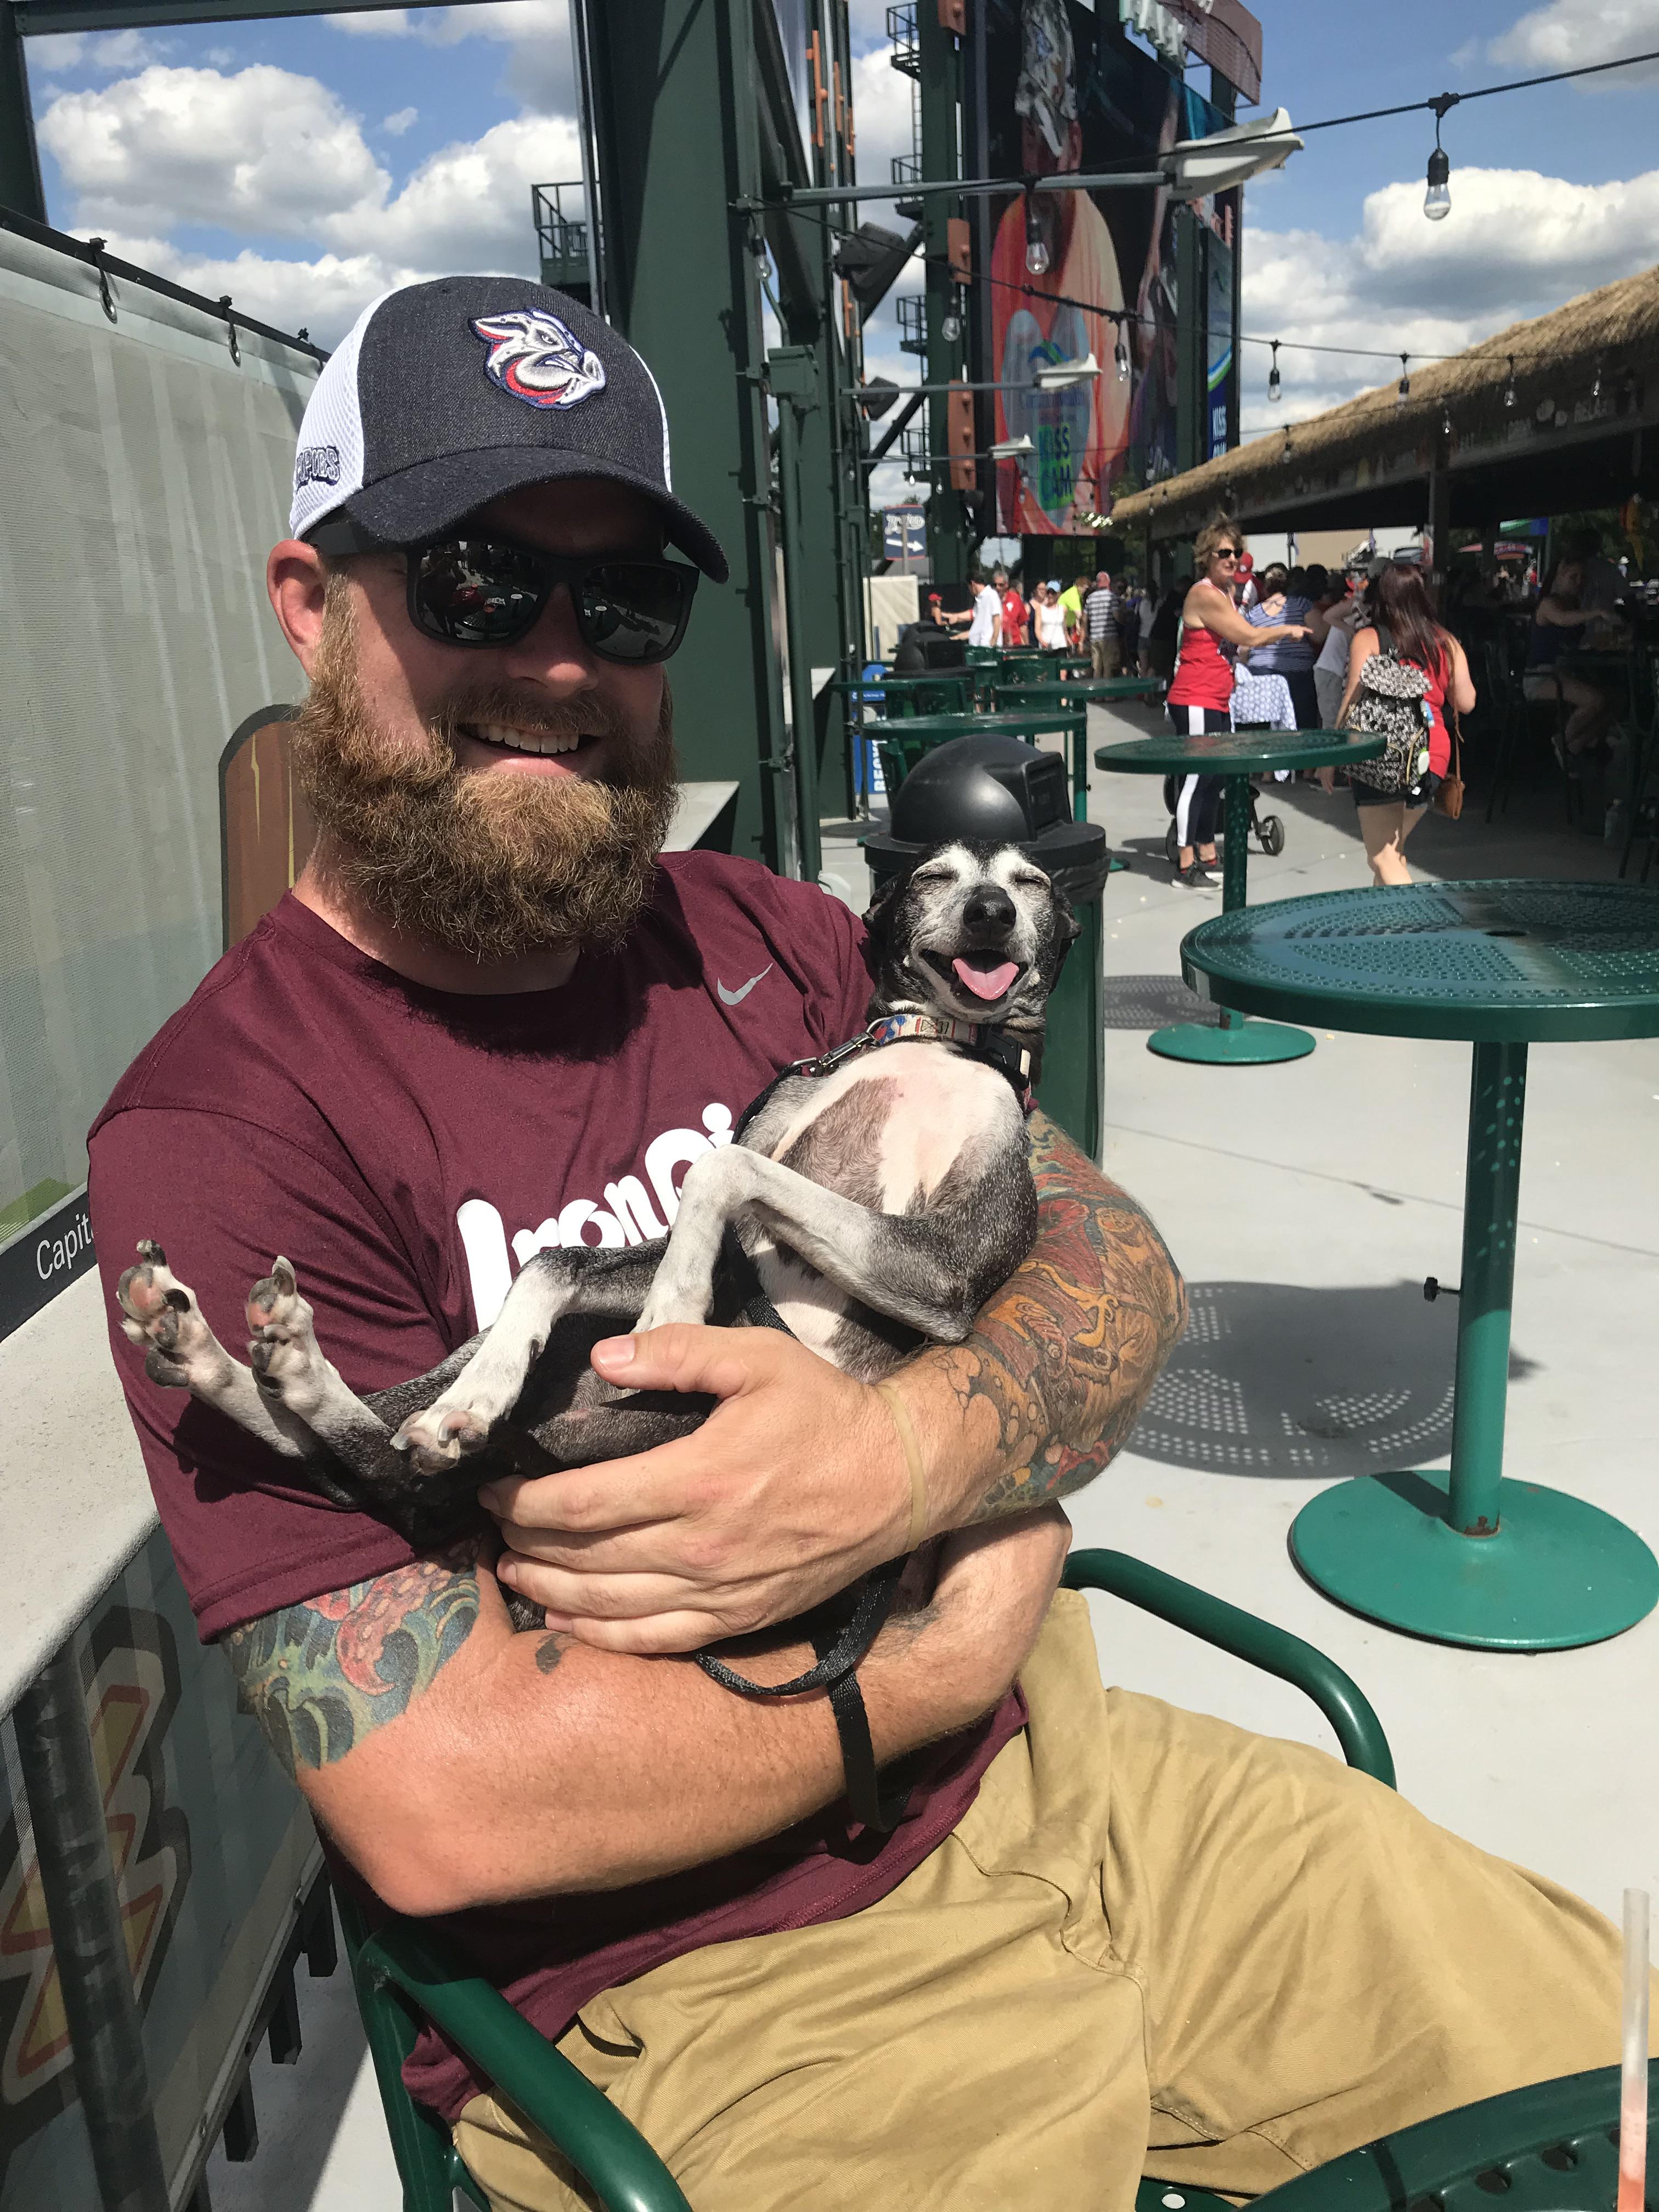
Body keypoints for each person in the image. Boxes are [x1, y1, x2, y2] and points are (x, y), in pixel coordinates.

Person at [92, 280, 1644, 2212]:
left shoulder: (767, 939)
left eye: (626, 606)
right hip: (725, 2005)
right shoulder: (230, 1129)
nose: (564, 664)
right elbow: (436, 1805)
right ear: (313, 607)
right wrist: (961, 1619)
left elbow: (1111, 1254)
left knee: (1613, 2091)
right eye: (482, 585)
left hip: (1083, 1780)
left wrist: (908, 1460)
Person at [988, 0, 1129, 533]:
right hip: (1025, 509)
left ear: (1073, 146)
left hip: (1077, 516)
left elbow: (1111, 431)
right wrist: (1005, 515)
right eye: (1029, 142)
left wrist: (1099, 522)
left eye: (1047, 147)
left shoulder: (1096, 243)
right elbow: (1002, 393)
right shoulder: (1010, 230)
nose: (1036, 163)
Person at [1165, 516, 1310, 888]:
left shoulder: (1227, 594)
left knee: (1216, 778)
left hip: (1217, 696)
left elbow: (1239, 645)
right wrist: (1285, 628)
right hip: (1195, 697)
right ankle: (1184, 864)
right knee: (1197, 779)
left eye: (1237, 553)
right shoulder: (1204, 594)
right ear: (1206, 556)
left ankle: (1206, 850)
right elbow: (1247, 635)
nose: (1232, 559)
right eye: (1224, 553)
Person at [1328, 559, 1476, 886]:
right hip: (1430, 755)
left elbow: (1352, 701)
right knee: (1392, 854)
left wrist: (1332, 756)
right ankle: (1386, 933)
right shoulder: (1446, 642)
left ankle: (1418, 931)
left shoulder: (1369, 638)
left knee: (1382, 856)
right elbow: (1466, 703)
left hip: (1382, 754)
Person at [1524, 556, 1623, 769]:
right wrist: (1597, 612)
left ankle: (1571, 747)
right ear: (1560, 573)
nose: (1579, 582)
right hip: (1541, 677)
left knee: (1616, 702)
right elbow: (1563, 619)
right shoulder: (1549, 605)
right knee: (1595, 700)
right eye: (1574, 576)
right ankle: (1563, 742)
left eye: (1582, 578)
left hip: (1566, 672)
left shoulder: (1574, 604)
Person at [1240, 561, 1321, 727]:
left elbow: (1243, 650)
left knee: (1264, 731)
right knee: (1303, 729)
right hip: (1298, 676)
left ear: (1265, 587)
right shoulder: (1301, 605)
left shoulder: (1254, 613)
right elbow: (1319, 635)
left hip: (1261, 676)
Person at [1312, 574, 1358, 733]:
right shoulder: (1356, 605)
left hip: (1337, 672)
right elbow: (1327, 616)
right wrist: (1352, 633)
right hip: (1330, 671)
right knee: (1332, 725)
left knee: (1340, 723)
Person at [1081, 568, 1121, 678]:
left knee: (1097, 668)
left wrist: (1086, 635)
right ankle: (1108, 694)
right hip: (1109, 637)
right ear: (1108, 582)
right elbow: (1117, 616)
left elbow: (1085, 619)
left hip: (1095, 637)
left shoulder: (1090, 598)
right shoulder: (1112, 597)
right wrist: (1125, 621)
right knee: (1108, 667)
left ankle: (1097, 694)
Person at [966, 572, 1002, 649]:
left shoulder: (992, 595)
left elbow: (997, 619)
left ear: (973, 584)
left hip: (988, 648)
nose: (969, 590)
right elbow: (973, 615)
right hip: (978, 647)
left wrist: (993, 641)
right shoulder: (979, 599)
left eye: (969, 587)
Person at [995, 564, 1028, 646]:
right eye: (995, 585)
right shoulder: (991, 600)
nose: (998, 588)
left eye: (1001, 585)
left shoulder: (1015, 599)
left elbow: (1022, 625)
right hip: (997, 646)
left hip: (1015, 646)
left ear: (1007, 585)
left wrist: (1027, 646)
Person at [1035, 580, 1069, 651]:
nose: (1050, 595)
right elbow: (1037, 630)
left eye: (1053, 593)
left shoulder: (1063, 609)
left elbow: (1064, 628)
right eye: (1048, 593)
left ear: (1058, 594)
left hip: (1061, 645)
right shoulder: (1040, 609)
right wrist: (1042, 642)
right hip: (1046, 646)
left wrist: (1068, 639)